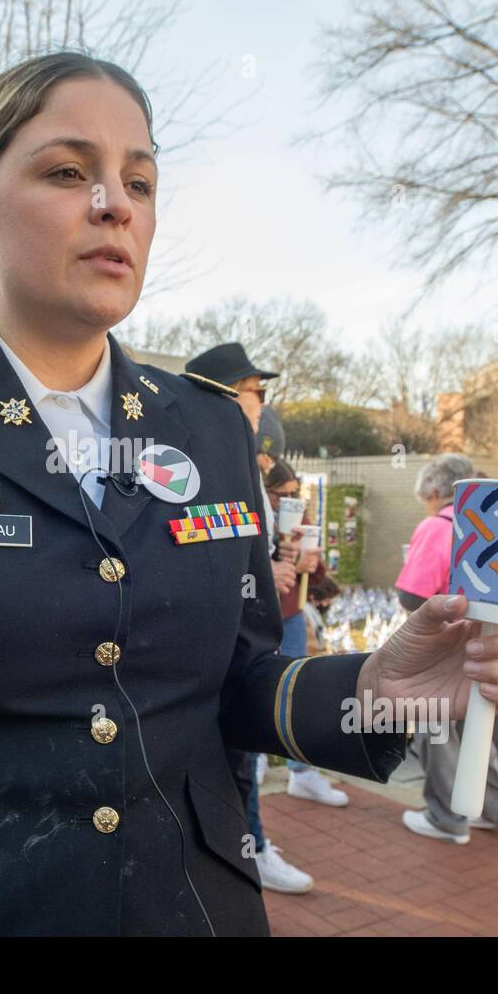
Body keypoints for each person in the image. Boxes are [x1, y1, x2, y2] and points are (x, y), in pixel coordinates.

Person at [0, 51, 498, 937]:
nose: (114, 203)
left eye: (140, 179)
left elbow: (237, 680)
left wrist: (382, 687)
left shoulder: (206, 427)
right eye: (67, 171)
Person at [181, 344, 315, 893]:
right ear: (225, 394)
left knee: (243, 759)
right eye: (257, 391)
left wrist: (286, 561)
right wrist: (265, 575)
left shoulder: (244, 469)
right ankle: (245, 851)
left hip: (249, 642)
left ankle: (244, 850)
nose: (263, 404)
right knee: (227, 763)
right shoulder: (195, 465)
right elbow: (197, 551)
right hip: (214, 648)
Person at [394, 455, 498, 845]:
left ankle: (447, 817)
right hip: (493, 638)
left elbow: (413, 595)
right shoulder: (497, 520)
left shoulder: (438, 525)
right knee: (479, 727)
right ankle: (497, 808)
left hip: (447, 641)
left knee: (436, 727)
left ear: (435, 491)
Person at [262, 459, 347, 808]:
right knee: (256, 689)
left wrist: (311, 565)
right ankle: (254, 763)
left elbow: (315, 568)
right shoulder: (251, 508)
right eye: (281, 495)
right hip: (256, 615)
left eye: (295, 494)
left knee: (296, 690)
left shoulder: (298, 517)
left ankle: (302, 772)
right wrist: (283, 566)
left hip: (291, 615)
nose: (288, 501)